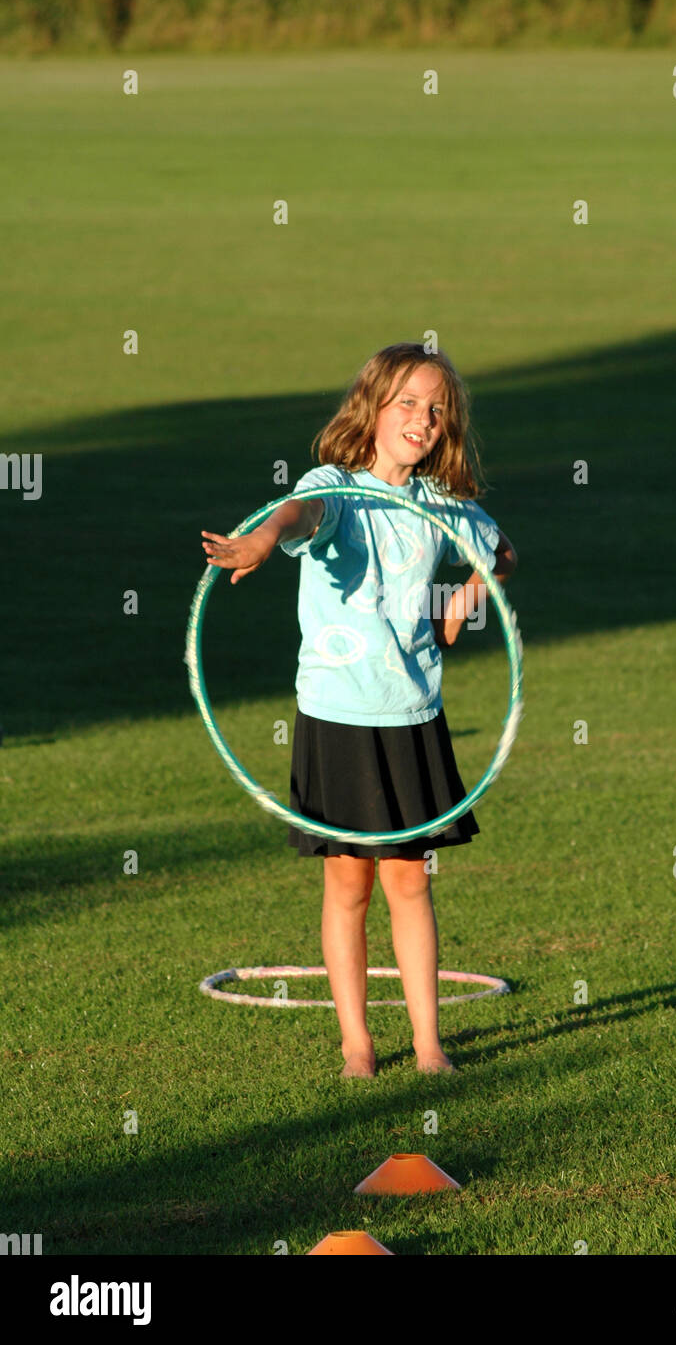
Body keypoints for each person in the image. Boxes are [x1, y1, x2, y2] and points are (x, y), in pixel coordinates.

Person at [201, 342, 518, 1078]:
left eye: (437, 409)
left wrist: (460, 604)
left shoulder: (444, 506)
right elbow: (299, 511)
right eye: (408, 402)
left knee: (410, 879)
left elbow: (500, 554)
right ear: (372, 408)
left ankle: (430, 1047)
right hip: (339, 716)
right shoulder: (336, 488)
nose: (423, 418)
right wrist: (263, 538)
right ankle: (357, 1047)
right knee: (348, 881)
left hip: (412, 714)